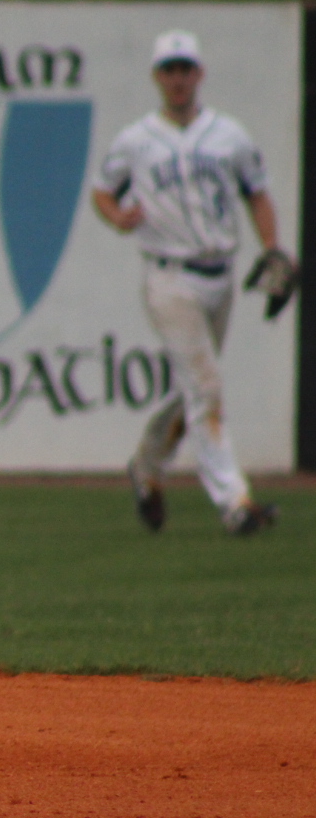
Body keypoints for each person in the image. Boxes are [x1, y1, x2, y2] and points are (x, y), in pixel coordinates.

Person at [91, 30, 294, 536]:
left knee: (195, 393)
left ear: (199, 74)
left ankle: (147, 465)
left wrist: (271, 246)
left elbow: (258, 193)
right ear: (157, 78)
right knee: (206, 387)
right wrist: (118, 216)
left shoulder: (229, 135)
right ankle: (235, 503)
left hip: (220, 277)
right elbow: (101, 190)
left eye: (185, 69)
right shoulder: (137, 140)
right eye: (169, 70)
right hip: (168, 277)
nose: (178, 78)